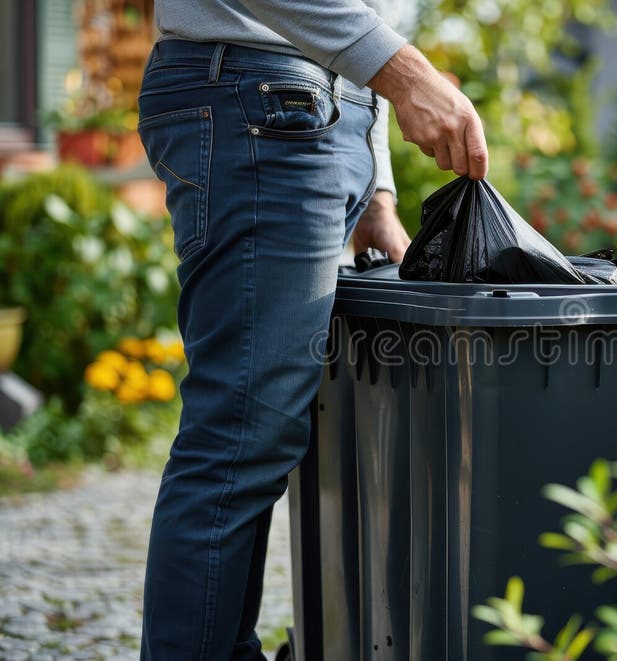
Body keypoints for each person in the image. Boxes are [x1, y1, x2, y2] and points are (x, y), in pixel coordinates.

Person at [136, 1, 488, 658]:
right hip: (264, 100)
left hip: (315, 110)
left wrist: (376, 193)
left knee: (258, 437)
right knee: (241, 432)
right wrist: (406, 75)